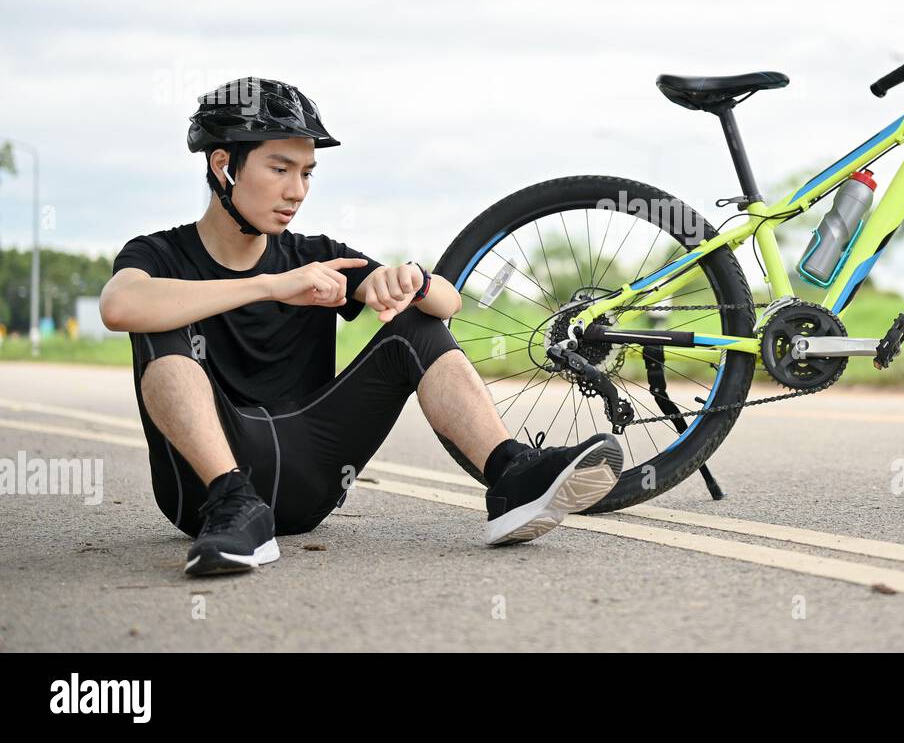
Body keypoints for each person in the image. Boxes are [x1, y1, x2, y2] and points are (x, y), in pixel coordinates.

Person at [99, 77, 622, 576]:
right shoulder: (160, 253)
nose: (296, 190)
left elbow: (447, 302)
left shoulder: (316, 256)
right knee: (157, 319)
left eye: (306, 173)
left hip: (309, 471)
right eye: (279, 169)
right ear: (224, 166)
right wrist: (270, 285)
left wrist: (406, 280)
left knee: (420, 322)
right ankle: (236, 502)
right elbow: (119, 306)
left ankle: (512, 474)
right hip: (202, 497)